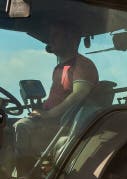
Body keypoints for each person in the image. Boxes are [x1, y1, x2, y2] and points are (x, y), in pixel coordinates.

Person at [14, 20, 98, 163]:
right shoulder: (60, 68)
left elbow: (79, 95)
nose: (51, 40)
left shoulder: (82, 64)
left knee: (21, 126)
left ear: (72, 39)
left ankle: (23, 173)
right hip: (51, 119)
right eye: (51, 36)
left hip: (64, 123)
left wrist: (49, 114)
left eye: (56, 35)